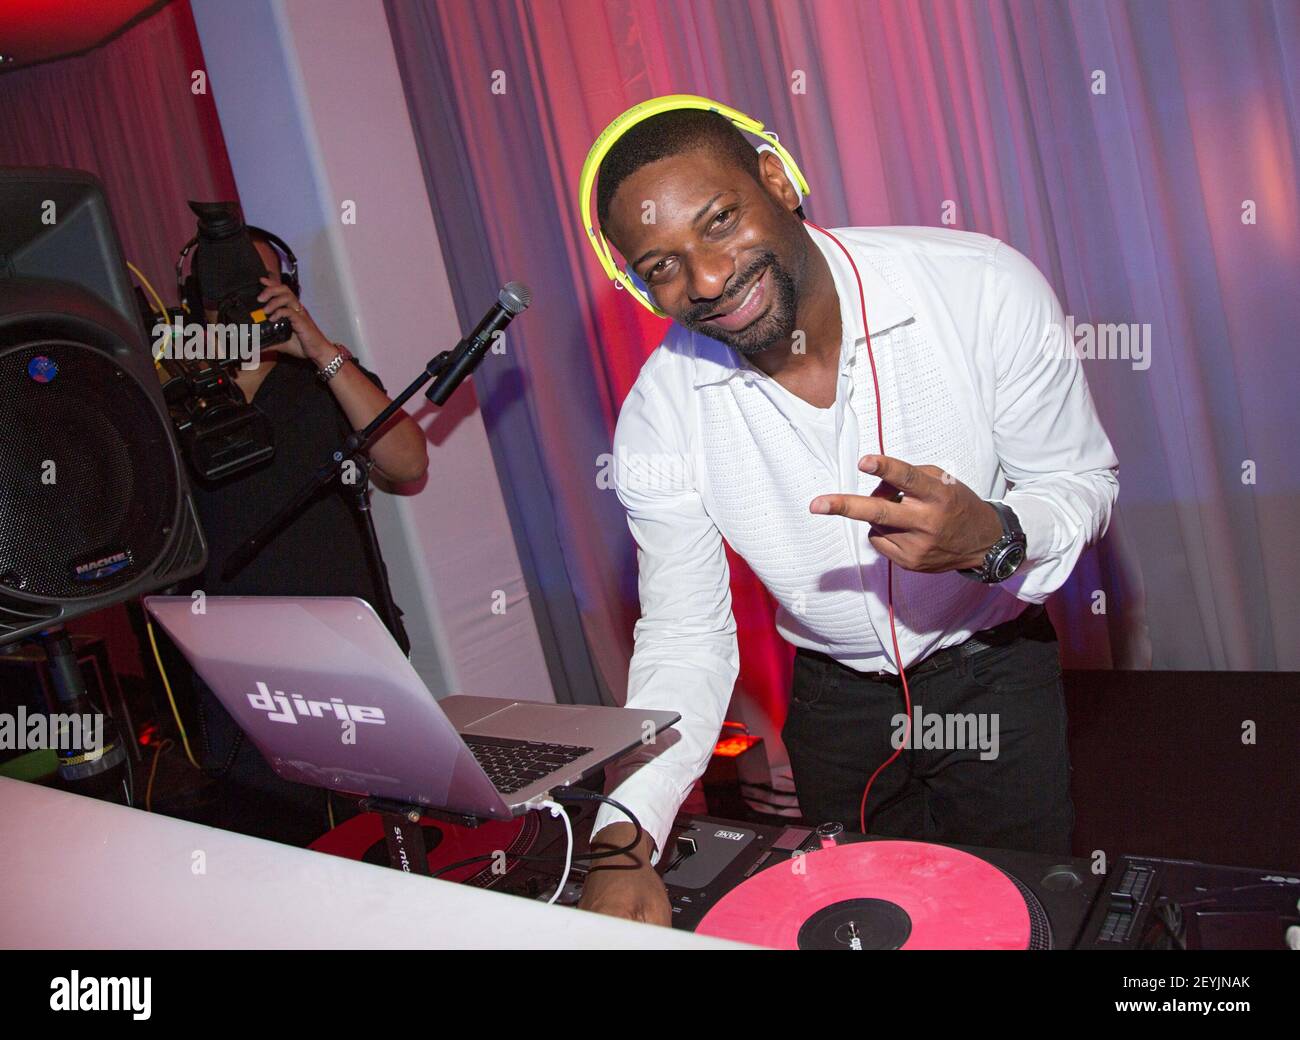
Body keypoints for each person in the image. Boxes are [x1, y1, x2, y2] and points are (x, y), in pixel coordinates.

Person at [577, 107, 1119, 924]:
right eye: (662, 266)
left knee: (1020, 911)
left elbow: (1082, 480)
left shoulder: (980, 286)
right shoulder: (660, 415)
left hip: (993, 666)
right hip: (833, 700)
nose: (709, 280)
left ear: (775, 180)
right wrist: (623, 837)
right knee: (859, 917)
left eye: (720, 221)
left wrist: (995, 537)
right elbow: (685, 635)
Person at [174, 229, 427, 844]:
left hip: (352, 653)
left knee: (386, 837)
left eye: (256, 283)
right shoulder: (176, 395)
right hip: (235, 670)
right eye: (222, 287)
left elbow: (408, 463)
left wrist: (319, 350)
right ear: (193, 302)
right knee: (279, 844)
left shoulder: (324, 375)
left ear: (286, 290)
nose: (239, 299)